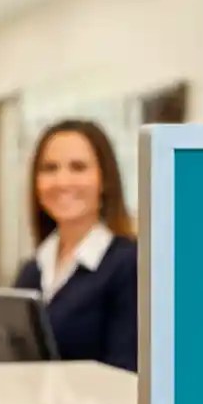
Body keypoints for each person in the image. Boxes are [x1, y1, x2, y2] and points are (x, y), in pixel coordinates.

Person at [13, 119, 138, 372]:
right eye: (50, 168)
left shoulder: (129, 265)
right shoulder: (32, 270)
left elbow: (126, 372)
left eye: (78, 167)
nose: (62, 181)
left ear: (105, 180)